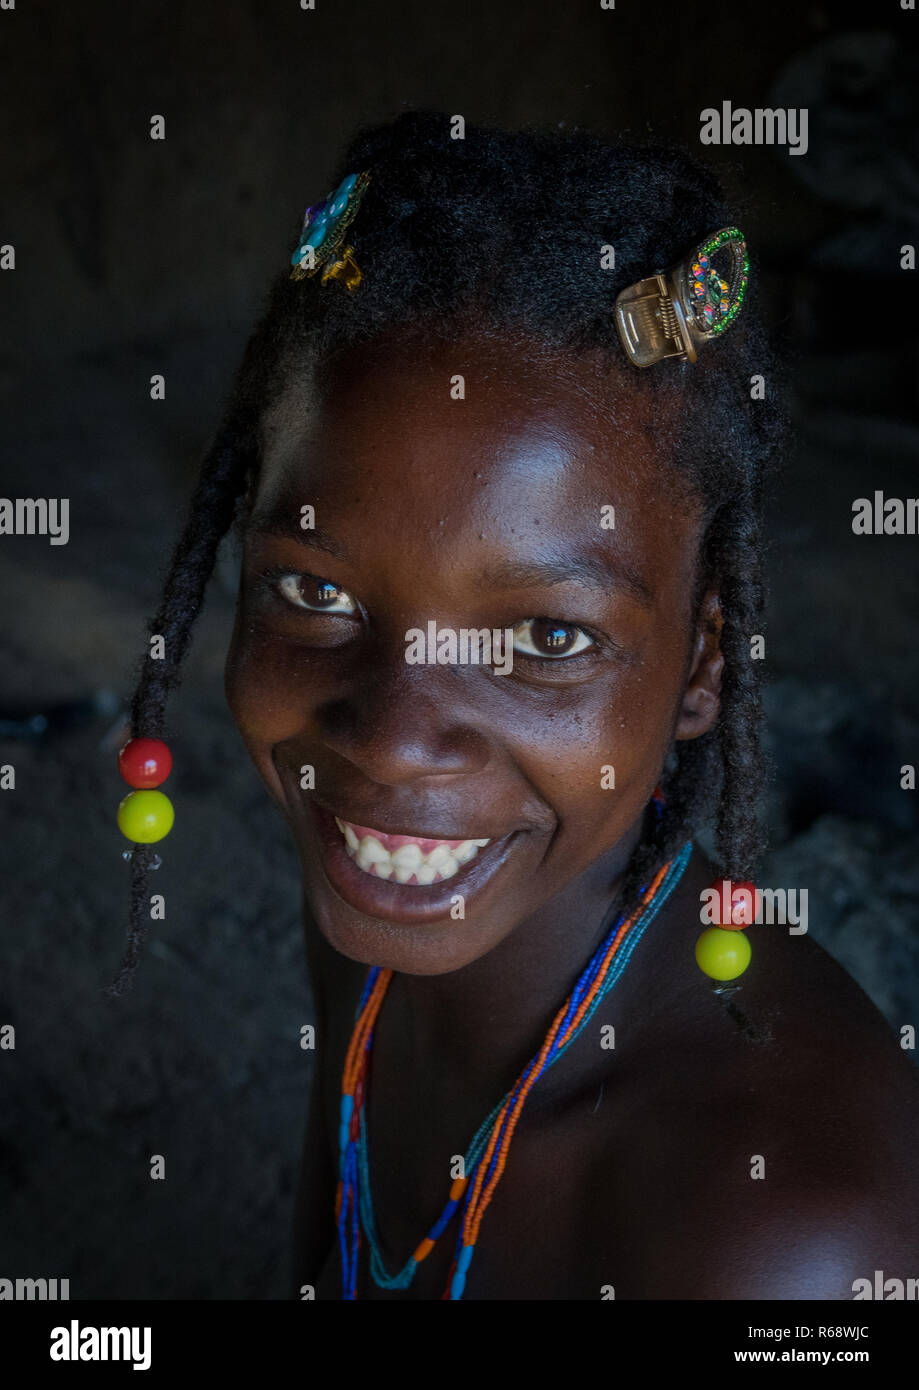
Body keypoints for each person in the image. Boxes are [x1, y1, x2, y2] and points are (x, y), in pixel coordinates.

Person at [110, 111, 919, 1300]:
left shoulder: (782, 1243)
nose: (390, 738)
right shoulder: (393, 902)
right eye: (313, 589)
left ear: (701, 669)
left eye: (546, 637)